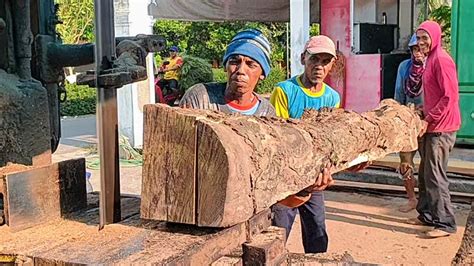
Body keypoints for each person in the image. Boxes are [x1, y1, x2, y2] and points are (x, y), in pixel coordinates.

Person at [269, 35, 340, 253]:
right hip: (285, 179)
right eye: (314, 60)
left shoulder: (332, 98)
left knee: (317, 234)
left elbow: (331, 139)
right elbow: (277, 136)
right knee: (275, 235)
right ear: (303, 59)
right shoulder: (284, 91)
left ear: (331, 65)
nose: (319, 66)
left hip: (314, 179)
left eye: (325, 61)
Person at [406, 21, 461, 238]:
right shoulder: (430, 59)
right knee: (425, 173)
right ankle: (427, 215)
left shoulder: (442, 61)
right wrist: (423, 108)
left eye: (425, 38)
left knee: (435, 176)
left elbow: (450, 97)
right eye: (418, 38)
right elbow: (436, 94)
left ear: (435, 38)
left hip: (442, 127)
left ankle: (445, 223)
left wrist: (428, 119)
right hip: (433, 123)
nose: (420, 42)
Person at [394, 33, 426, 213]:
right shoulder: (404, 67)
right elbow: (399, 93)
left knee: (427, 163)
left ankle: (425, 201)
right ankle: (411, 199)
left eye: (421, 49)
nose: (418, 53)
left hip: (427, 121)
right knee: (405, 162)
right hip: (407, 120)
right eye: (415, 49)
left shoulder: (432, 67)